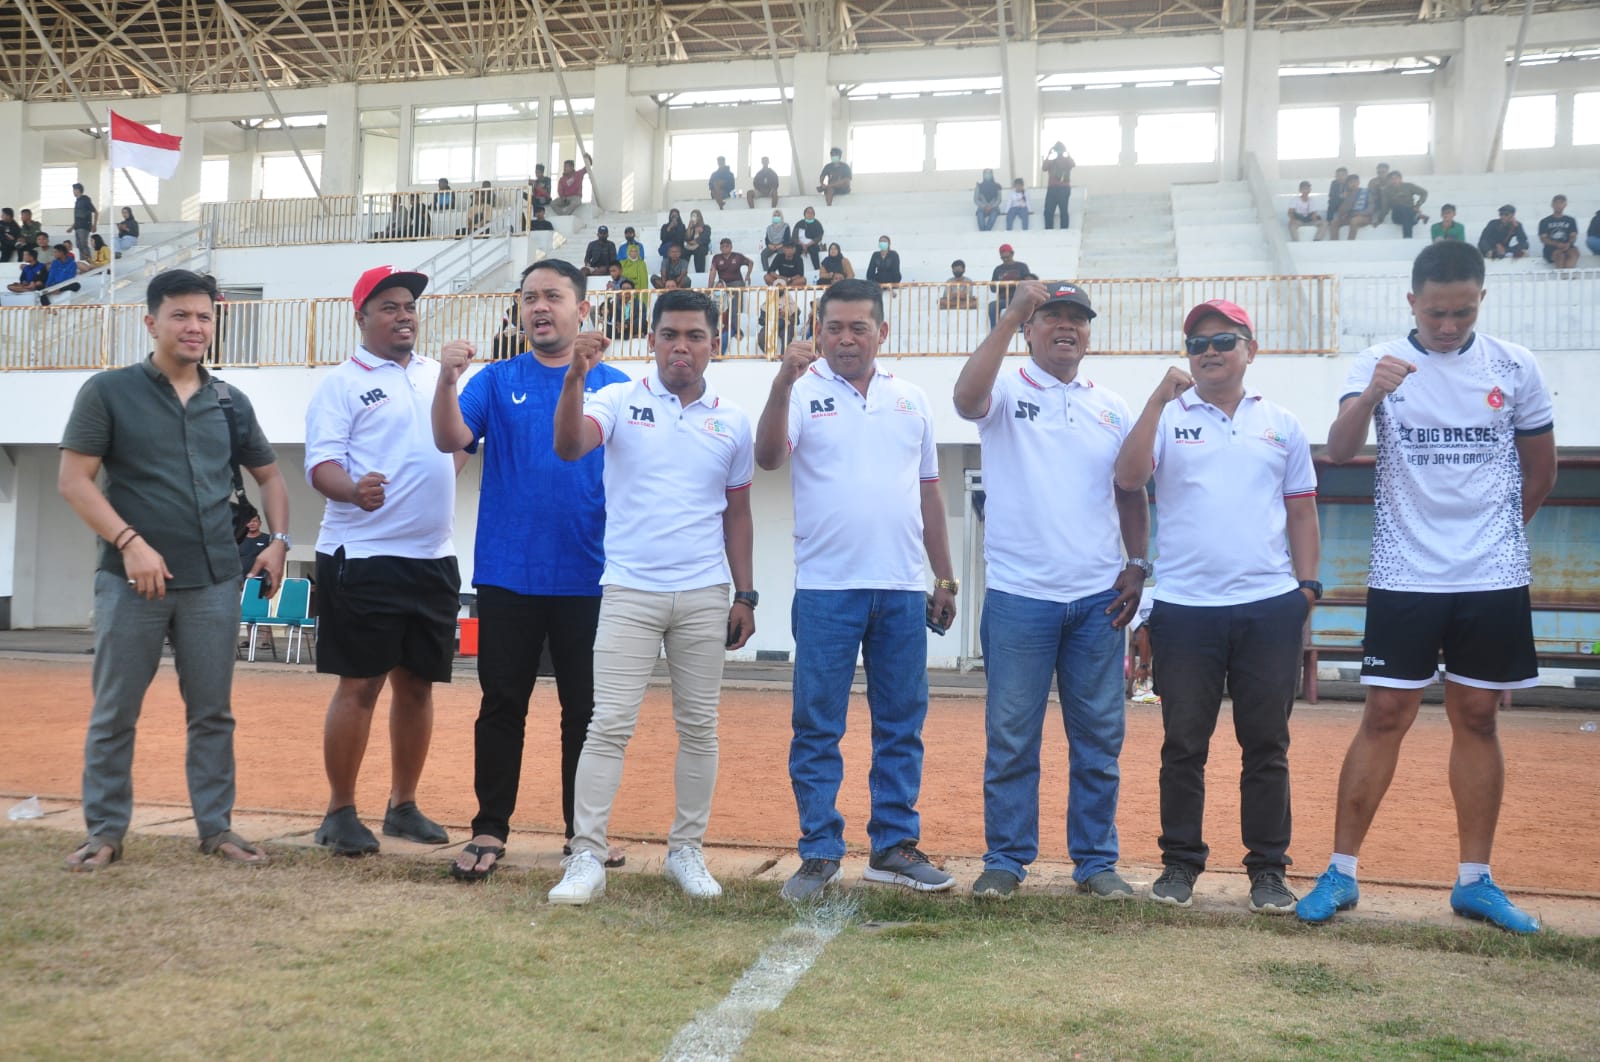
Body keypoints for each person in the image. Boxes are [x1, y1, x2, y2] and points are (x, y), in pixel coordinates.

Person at [1297, 240, 1557, 935]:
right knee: (1384, 716)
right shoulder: (1378, 362)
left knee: (1478, 717)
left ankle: (1476, 881)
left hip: (1492, 576)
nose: (1448, 325)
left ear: (1480, 301)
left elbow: (1541, 472)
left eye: (1463, 312)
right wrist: (1378, 390)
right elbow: (1342, 450)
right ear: (1411, 302)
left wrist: (1495, 539)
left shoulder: (1514, 366)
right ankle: (1341, 873)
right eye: (1437, 312)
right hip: (1405, 573)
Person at [57, 268, 288, 872]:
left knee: (212, 712)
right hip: (129, 583)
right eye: (181, 315)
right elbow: (73, 481)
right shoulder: (108, 393)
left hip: (213, 582)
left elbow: (270, 476)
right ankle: (104, 833)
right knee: (115, 713)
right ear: (151, 321)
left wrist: (279, 541)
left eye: (205, 316)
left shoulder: (230, 402)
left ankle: (218, 830)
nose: (194, 326)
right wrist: (129, 541)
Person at [545, 288, 756, 904]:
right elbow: (567, 447)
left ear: (714, 345)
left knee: (700, 728)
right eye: (669, 335)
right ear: (652, 341)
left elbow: (737, 515)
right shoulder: (614, 399)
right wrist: (575, 378)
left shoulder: (732, 420)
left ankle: (685, 852)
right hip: (630, 590)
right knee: (607, 724)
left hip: (704, 591)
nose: (680, 347)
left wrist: (745, 593)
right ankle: (586, 857)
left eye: (694, 336)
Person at [1113, 298, 1321, 915]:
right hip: (1184, 608)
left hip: (1267, 605)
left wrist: (1305, 591)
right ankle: (1179, 865)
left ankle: (1267, 871)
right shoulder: (1170, 418)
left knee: (1266, 744)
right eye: (1198, 343)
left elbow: (1302, 510)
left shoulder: (1281, 422)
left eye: (1224, 340)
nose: (1210, 351)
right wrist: (1154, 401)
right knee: (1183, 744)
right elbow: (1127, 479)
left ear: (1249, 350)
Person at [754, 278, 959, 900]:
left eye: (858, 327)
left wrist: (943, 576)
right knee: (818, 726)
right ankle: (819, 852)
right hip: (826, 589)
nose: (845, 339)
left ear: (882, 333)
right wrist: (781, 382)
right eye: (834, 328)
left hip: (901, 589)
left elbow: (929, 491)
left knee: (901, 723)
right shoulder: (800, 391)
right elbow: (767, 459)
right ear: (817, 332)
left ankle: (893, 847)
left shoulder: (912, 398)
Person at [432, 258, 632, 882]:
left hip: (591, 576)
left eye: (553, 296)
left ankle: (585, 835)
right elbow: (449, 441)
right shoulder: (494, 381)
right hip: (508, 571)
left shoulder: (617, 384)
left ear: (583, 309)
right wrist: (445, 379)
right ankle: (490, 826)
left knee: (585, 710)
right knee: (501, 704)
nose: (539, 307)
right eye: (529, 298)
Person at [953, 279, 1150, 901]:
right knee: (1012, 737)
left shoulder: (1111, 406)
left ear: (1089, 334)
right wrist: (1012, 313)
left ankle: (1095, 862)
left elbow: (1129, 491)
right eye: (1053, 318)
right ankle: (1007, 860)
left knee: (1099, 739)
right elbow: (964, 400)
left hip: (1097, 600)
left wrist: (1139, 563)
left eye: (1078, 320)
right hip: (1019, 597)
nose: (1066, 327)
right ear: (1032, 331)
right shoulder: (1008, 389)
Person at [304, 266, 464, 857]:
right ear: (362, 317)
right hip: (363, 555)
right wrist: (352, 491)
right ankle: (340, 811)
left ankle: (402, 805)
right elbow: (320, 466)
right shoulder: (342, 384)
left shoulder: (434, 377)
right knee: (361, 684)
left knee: (418, 686)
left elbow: (460, 446)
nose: (404, 315)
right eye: (390, 306)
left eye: (409, 306)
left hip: (433, 557)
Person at [988, 243, 1030, 328]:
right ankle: (995, 330)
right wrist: (1004, 284)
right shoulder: (998, 269)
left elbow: (1028, 281)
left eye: (1007, 257)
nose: (1006, 259)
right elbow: (993, 288)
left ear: (1012, 254)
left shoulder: (1022, 266)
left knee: (1026, 304)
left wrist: (1011, 283)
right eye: (1003, 258)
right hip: (1003, 299)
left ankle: (1024, 328)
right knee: (992, 306)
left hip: (1019, 297)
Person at [1537, 195, 1580, 269]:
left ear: (1565, 205)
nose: (1558, 205)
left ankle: (1568, 276)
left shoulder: (1570, 220)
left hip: (1568, 246)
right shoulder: (1544, 221)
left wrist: (1568, 243)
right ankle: (1562, 277)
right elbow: (1543, 238)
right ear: (1552, 205)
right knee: (1559, 255)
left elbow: (1573, 235)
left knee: (1575, 252)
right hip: (1551, 249)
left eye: (1561, 203)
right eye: (1556, 203)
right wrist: (1557, 244)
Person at [1329, 174, 1375, 242]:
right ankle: (1335, 243)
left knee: (1354, 220)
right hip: (1350, 217)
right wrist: (1346, 198)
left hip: (1365, 217)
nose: (1353, 184)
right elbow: (1341, 211)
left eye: (1355, 182)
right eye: (1351, 182)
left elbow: (1371, 208)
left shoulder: (1366, 192)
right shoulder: (1346, 194)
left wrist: (1359, 213)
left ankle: (1349, 243)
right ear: (1348, 184)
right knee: (1334, 222)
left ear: (1358, 182)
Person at [1385, 171, 1428, 239]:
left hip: (1409, 212)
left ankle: (1408, 237)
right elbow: (1385, 205)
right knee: (1404, 211)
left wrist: (1417, 205)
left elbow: (1424, 193)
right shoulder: (1387, 190)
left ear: (1400, 179)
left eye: (1396, 178)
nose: (1394, 180)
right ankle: (1418, 217)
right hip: (1397, 215)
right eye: (1392, 179)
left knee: (1407, 215)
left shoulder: (1408, 186)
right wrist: (1380, 217)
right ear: (1389, 180)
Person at [1042, 143, 1074, 230]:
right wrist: (1049, 154)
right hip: (1053, 188)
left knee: (1063, 211)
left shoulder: (1066, 160)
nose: (1059, 152)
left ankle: (1064, 231)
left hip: (1063, 188)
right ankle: (1049, 231)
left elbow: (1072, 164)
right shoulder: (1052, 161)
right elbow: (1044, 168)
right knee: (1048, 211)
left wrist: (1067, 153)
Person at [72, 182, 97, 259]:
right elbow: (78, 217)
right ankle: (83, 261)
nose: (73, 192)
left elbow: (95, 212)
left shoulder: (85, 199)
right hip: (77, 227)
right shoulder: (77, 201)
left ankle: (88, 262)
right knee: (79, 245)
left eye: (74, 190)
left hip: (84, 226)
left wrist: (94, 225)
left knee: (83, 244)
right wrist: (72, 227)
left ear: (78, 190)